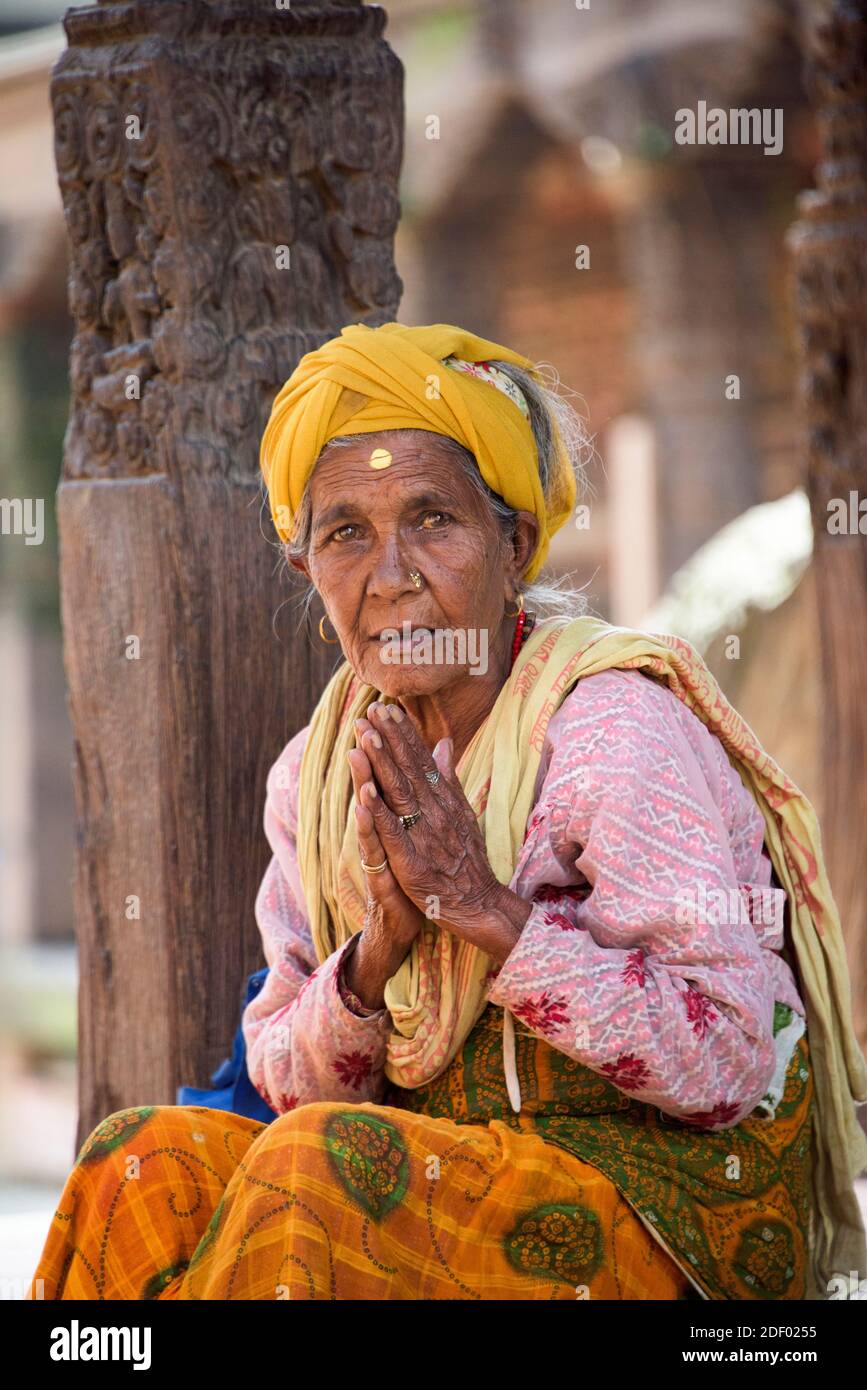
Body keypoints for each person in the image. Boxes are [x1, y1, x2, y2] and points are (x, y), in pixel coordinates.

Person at [28, 322, 867, 1301]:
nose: (391, 576)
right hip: (447, 1173)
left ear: (513, 544)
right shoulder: (318, 777)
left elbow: (729, 1058)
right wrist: (378, 948)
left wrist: (486, 910)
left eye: (433, 519)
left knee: (315, 1172)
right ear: (309, 571)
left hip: (660, 1198)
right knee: (138, 1163)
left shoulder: (609, 733)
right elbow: (285, 1080)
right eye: (348, 532)